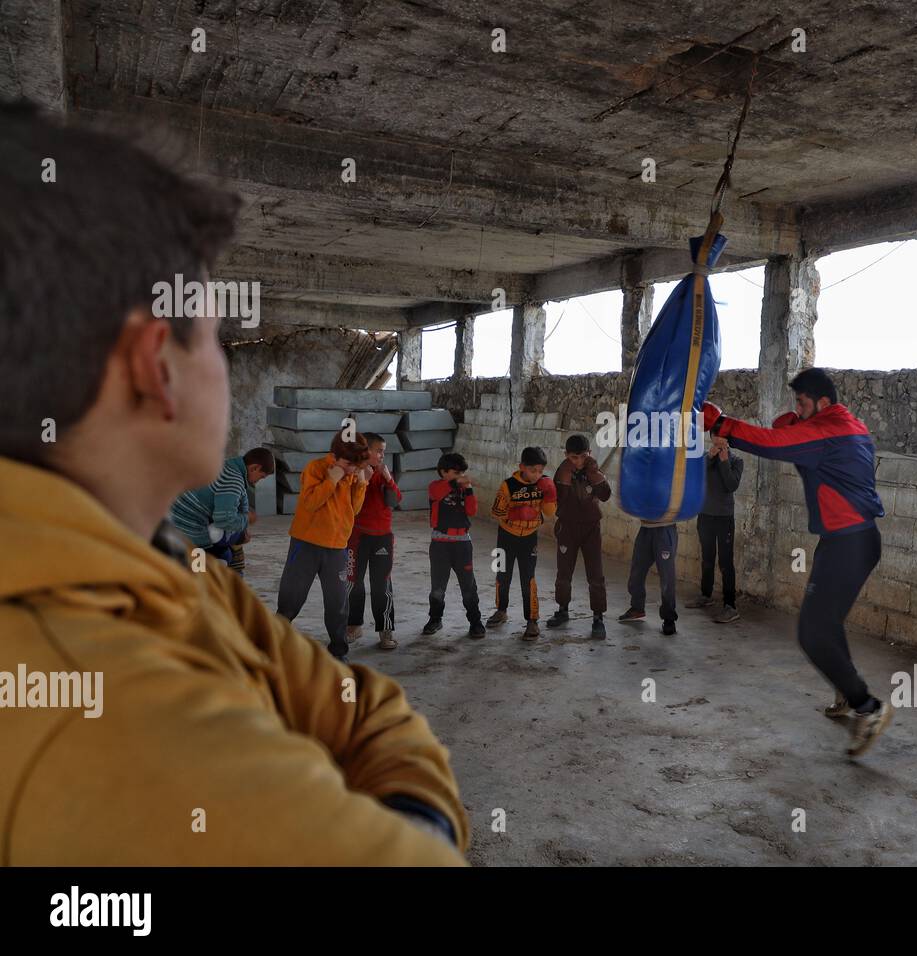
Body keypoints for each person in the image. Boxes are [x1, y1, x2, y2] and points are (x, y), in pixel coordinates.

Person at [0, 101, 467, 863]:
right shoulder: (95, 710)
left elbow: (362, 703)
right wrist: (420, 811)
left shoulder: (168, 567)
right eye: (216, 336)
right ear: (157, 366)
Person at [703, 367, 894, 756]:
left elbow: (774, 443)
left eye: (802, 402)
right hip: (848, 539)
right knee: (827, 623)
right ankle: (846, 688)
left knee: (811, 631)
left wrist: (722, 423)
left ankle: (868, 707)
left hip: (849, 544)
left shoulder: (825, 432)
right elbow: (785, 430)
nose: (797, 409)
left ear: (822, 403)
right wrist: (794, 419)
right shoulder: (848, 424)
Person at [276, 429, 371, 662]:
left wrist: (361, 485)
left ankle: (339, 651)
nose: (352, 469)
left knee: (338, 602)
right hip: (306, 543)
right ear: (336, 456)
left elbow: (354, 510)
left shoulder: (352, 474)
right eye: (349, 464)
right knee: (291, 599)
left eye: (356, 466)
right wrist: (331, 480)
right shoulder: (316, 468)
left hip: (338, 546)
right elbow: (310, 503)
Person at [487, 446, 556, 640]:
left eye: (540, 471)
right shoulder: (508, 485)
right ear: (521, 467)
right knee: (502, 574)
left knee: (529, 579)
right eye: (533, 470)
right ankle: (501, 611)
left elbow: (550, 513)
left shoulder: (543, 484)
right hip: (505, 537)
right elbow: (495, 512)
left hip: (529, 539)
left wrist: (550, 493)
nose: (537, 475)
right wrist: (517, 512)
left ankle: (532, 621)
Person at [168, 446, 273, 572]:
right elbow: (224, 520)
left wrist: (244, 520)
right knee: (220, 543)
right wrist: (246, 521)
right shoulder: (234, 480)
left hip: (173, 521)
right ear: (254, 468)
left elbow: (241, 501)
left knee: (225, 552)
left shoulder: (230, 466)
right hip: (190, 530)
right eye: (261, 477)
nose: (258, 481)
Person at [547, 435, 610, 640]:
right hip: (568, 526)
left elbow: (605, 495)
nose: (579, 461)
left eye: (583, 456)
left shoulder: (592, 469)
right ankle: (563, 609)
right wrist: (566, 476)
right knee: (564, 571)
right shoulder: (563, 470)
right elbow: (559, 499)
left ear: (589, 454)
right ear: (567, 455)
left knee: (596, 573)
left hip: (591, 527)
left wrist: (594, 473)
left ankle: (598, 617)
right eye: (574, 457)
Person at [346, 433, 402, 651]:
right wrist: (364, 480)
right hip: (357, 537)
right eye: (378, 450)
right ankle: (353, 625)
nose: (382, 455)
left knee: (382, 585)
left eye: (383, 451)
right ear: (365, 450)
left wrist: (388, 479)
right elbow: (348, 503)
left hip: (382, 537)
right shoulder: (353, 473)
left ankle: (385, 629)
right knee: (353, 582)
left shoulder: (383, 474)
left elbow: (394, 501)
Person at [423, 452, 486, 639]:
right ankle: (435, 619)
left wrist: (469, 489)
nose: (459, 476)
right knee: (437, 587)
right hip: (440, 542)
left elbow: (472, 510)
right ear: (443, 472)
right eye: (455, 472)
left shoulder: (462, 488)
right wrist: (456, 482)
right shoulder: (435, 486)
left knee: (468, 586)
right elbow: (437, 493)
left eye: (461, 472)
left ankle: (475, 622)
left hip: (462, 543)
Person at [684, 434, 743, 622]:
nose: (718, 439)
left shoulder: (736, 460)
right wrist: (709, 458)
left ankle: (730, 605)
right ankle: (706, 595)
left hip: (724, 518)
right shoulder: (704, 458)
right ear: (710, 437)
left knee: (726, 562)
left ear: (727, 440)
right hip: (705, 515)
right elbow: (694, 477)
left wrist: (724, 462)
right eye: (715, 435)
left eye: (722, 436)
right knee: (707, 558)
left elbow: (731, 485)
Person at [619, 517, 679, 636]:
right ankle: (637, 608)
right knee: (637, 570)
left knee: (667, 577)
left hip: (665, 528)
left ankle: (669, 619)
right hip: (645, 528)